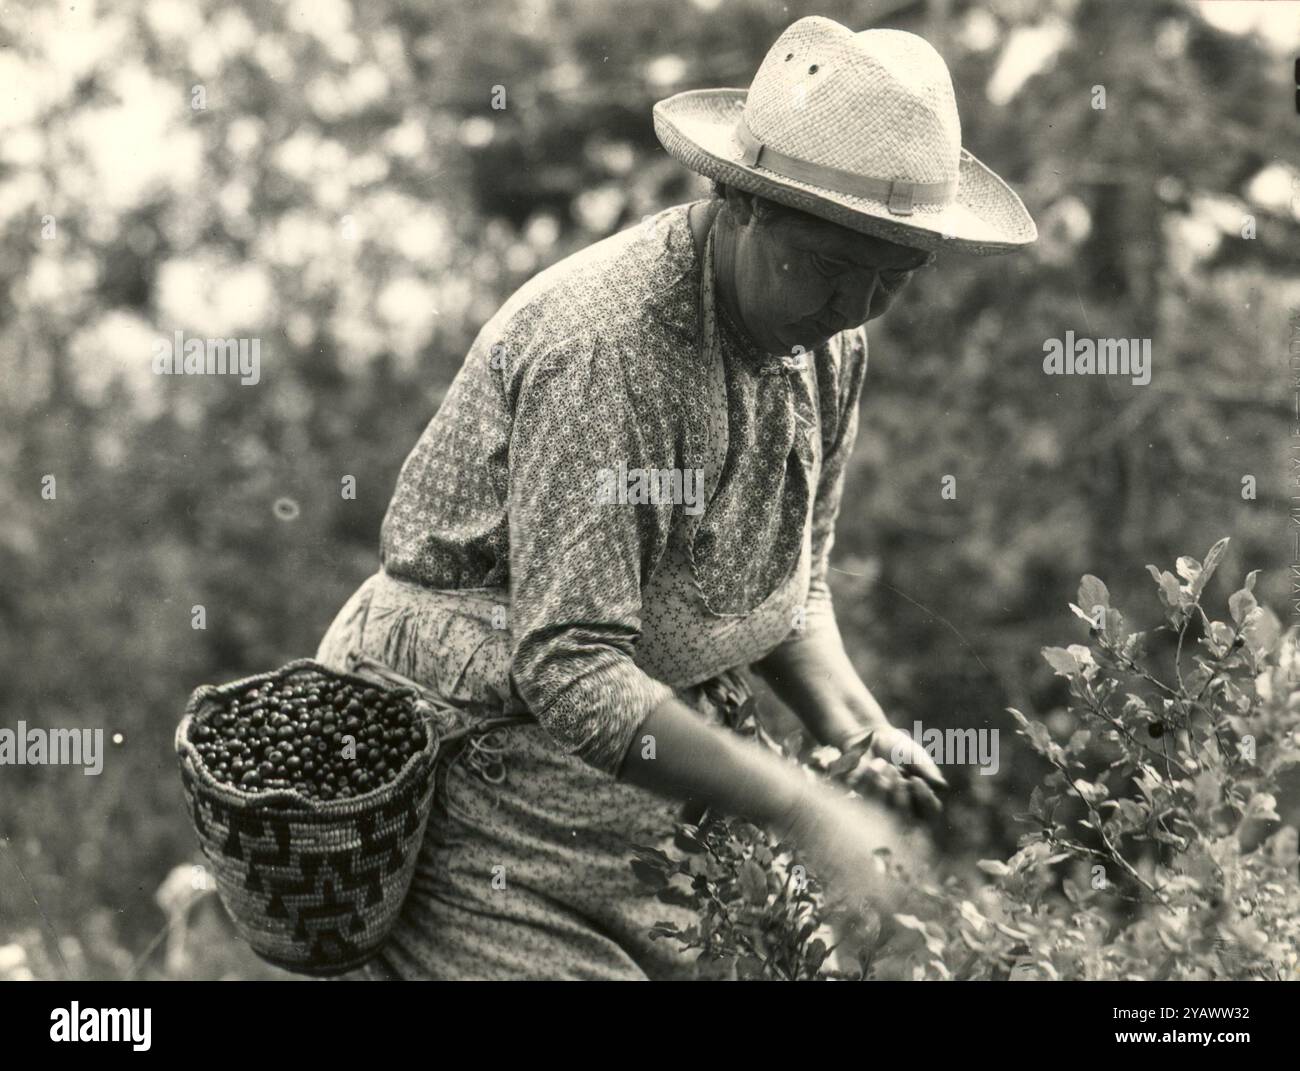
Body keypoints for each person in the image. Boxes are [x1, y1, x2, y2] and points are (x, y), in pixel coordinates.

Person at [316, 15, 1036, 980]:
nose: (855, 307)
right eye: (826, 266)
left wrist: (858, 733)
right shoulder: (609, 349)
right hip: (479, 768)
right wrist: (797, 800)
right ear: (740, 203)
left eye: (892, 277)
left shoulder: (828, 343)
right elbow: (570, 664)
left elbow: (789, 591)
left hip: (640, 779)